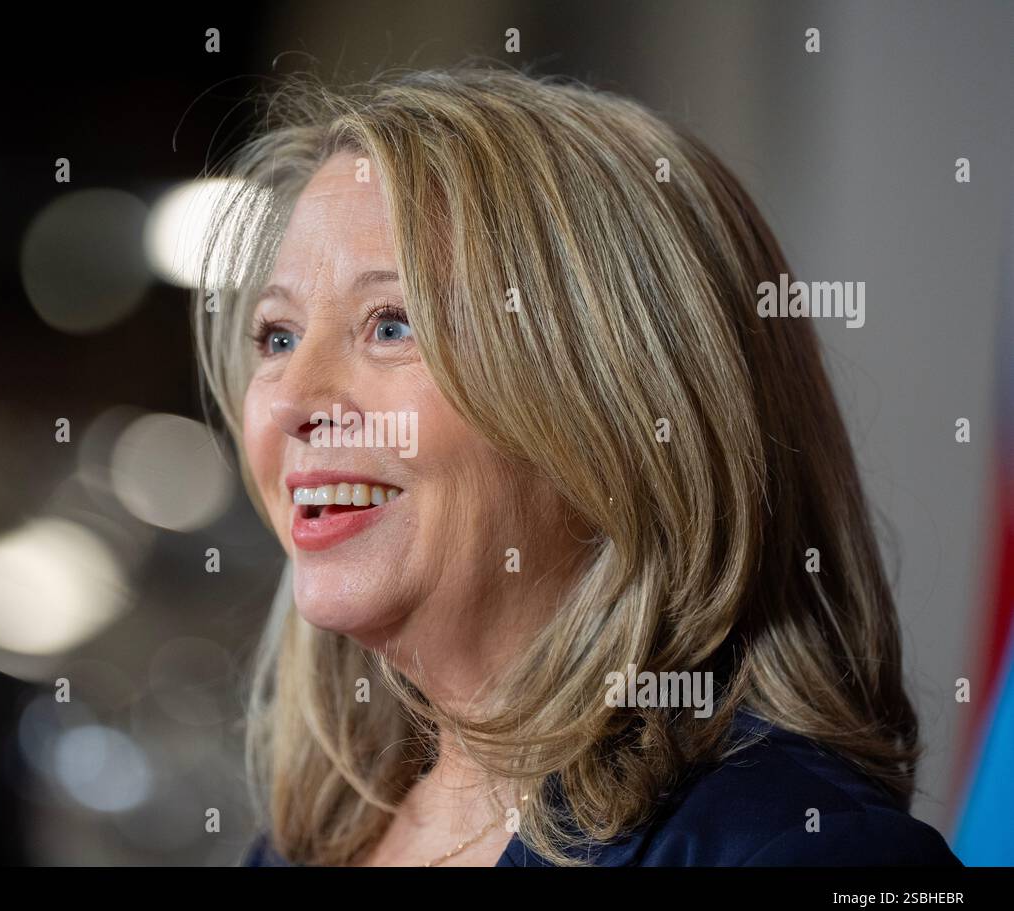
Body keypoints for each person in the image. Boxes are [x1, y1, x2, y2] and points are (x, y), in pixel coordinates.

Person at [191, 65, 962, 867]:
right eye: (277, 337)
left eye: (392, 324)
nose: (290, 401)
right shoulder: (299, 849)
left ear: (615, 405)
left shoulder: (816, 853)